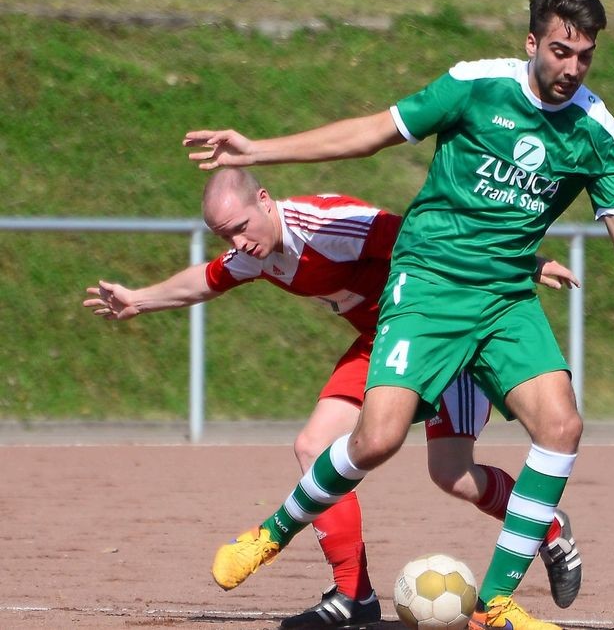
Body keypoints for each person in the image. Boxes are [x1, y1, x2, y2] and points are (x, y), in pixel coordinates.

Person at [183, 0, 614, 630]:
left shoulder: (595, 131)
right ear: (531, 43)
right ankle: (271, 531)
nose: (572, 67)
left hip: (505, 298)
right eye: (560, 50)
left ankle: (494, 604)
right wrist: (261, 148)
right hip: (429, 284)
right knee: (375, 440)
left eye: (585, 55)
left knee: (560, 427)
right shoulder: (475, 85)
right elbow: (372, 132)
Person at [83, 169, 586, 629]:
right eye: (225, 236)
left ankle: (545, 525)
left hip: (443, 328)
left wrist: (529, 260)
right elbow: (209, 278)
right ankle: (353, 595)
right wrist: (140, 298)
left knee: (451, 474)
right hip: (381, 342)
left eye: (240, 227)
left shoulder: (329, 224)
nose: (237, 243)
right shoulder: (257, 253)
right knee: (313, 446)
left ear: (265, 199)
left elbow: (426, 237)